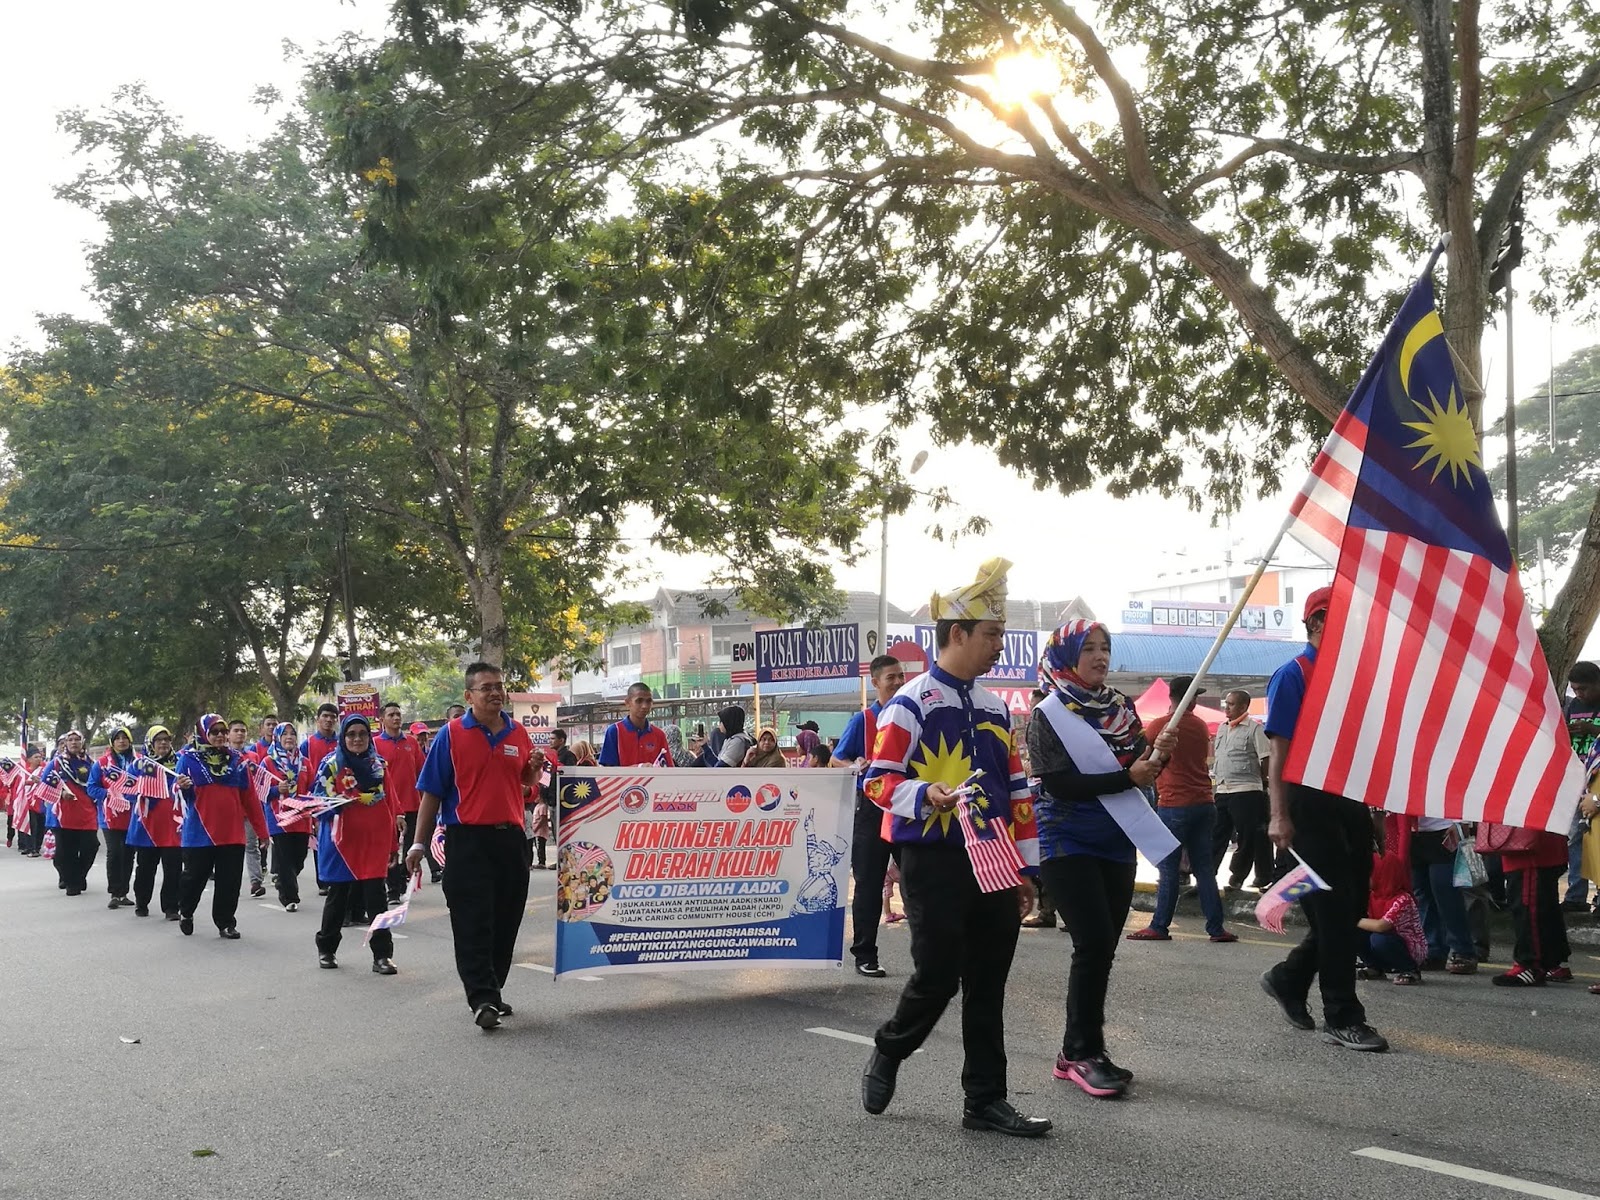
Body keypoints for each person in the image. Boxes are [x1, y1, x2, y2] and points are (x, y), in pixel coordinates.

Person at [860, 558, 1050, 1138]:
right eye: (991, 634)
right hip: (933, 858)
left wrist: (1028, 868)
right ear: (957, 634)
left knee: (989, 981)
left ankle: (985, 1099)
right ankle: (891, 1046)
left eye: (1001, 633)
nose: (999, 645)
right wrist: (924, 793)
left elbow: (1018, 792)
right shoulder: (910, 703)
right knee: (939, 974)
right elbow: (878, 780)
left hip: (994, 858)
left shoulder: (995, 709)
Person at [1029, 621, 1175, 1098]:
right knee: (1091, 943)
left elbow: (1139, 767)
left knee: (1104, 947)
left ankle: (1085, 1046)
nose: (1099, 656)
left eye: (1105, 648)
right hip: (1066, 839)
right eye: (1088, 648)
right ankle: (1079, 1053)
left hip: (1118, 838)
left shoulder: (1119, 706)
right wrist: (1129, 778)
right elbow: (1058, 783)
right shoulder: (1048, 712)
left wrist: (1160, 755)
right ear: (1067, 654)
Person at [1260, 587, 1388, 1051]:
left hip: (1349, 802)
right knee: (1334, 913)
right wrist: (1278, 816)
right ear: (1314, 623)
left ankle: (1288, 978)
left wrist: (1374, 811)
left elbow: (1364, 753)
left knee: (1351, 910)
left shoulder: (1350, 681)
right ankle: (1343, 1014)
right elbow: (1279, 753)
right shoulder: (1293, 675)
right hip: (1306, 805)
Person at [406, 661, 539, 1030]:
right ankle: (481, 997)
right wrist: (418, 844)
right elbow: (431, 792)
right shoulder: (451, 735)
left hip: (512, 839)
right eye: (486, 688)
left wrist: (535, 769)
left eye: (499, 686)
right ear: (469, 696)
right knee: (472, 921)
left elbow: (526, 783)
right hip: (466, 840)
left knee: (506, 919)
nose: (495, 692)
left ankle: (492, 989)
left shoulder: (517, 734)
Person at [1129, 675, 1238, 944]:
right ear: (1189, 698)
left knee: (1168, 869)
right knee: (1203, 868)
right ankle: (1215, 928)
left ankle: (1159, 925)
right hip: (1204, 802)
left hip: (1174, 804)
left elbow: (1145, 758)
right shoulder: (1200, 726)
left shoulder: (1159, 726)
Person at [832, 654, 907, 977]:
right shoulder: (863, 720)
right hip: (872, 812)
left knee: (920, 882)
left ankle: (933, 955)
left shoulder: (912, 715)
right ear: (875, 682)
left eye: (901, 676)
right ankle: (865, 954)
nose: (898, 682)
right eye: (891, 677)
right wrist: (853, 767)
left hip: (907, 809)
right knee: (868, 883)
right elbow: (837, 759)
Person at [313, 715, 399, 974]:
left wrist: (393, 845)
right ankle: (327, 949)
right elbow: (317, 803)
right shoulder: (330, 765)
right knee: (338, 898)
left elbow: (391, 806)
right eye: (351, 734)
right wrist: (339, 801)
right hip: (341, 844)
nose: (357, 739)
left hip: (373, 842)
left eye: (362, 733)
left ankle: (382, 956)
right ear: (343, 737)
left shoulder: (379, 766)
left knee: (377, 900)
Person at [174, 714, 269, 940]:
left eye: (223, 732)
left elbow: (250, 799)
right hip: (199, 833)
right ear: (203, 733)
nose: (220, 736)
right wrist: (183, 787)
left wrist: (262, 831)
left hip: (232, 833)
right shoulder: (187, 759)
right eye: (214, 732)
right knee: (193, 878)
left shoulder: (237, 760)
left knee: (230, 881)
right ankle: (186, 911)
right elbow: (176, 793)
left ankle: (226, 922)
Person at [1210, 689, 1274, 892]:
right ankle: (1207, 874)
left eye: (1231, 704)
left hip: (1247, 790)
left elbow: (1266, 758)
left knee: (1247, 837)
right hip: (1223, 789)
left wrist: (1262, 783)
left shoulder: (1254, 728)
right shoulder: (1222, 729)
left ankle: (1238, 876)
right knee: (1217, 833)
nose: (1227, 708)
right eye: (1226, 704)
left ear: (1244, 707)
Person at [1493, 826, 1571, 987]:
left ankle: (1530, 964)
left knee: (1528, 906)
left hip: (1529, 846)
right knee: (1545, 906)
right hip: (1538, 842)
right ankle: (1550, 962)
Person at [126, 728, 187, 919]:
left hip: (173, 825)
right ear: (150, 743)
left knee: (173, 868)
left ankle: (171, 907)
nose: (163, 743)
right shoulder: (139, 765)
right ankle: (142, 902)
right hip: (147, 826)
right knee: (145, 868)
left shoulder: (180, 763)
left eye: (166, 739)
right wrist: (141, 790)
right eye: (158, 740)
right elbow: (127, 791)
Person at [1358, 826, 1427, 985]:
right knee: (1356, 933)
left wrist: (1352, 919)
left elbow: (1382, 926)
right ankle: (1374, 967)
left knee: (1378, 938)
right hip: (1387, 942)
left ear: (1382, 874)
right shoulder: (1371, 895)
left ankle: (1410, 969)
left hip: (1409, 948)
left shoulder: (1402, 899)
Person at [375, 702, 424, 904]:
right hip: (388, 808)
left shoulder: (411, 743)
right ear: (382, 720)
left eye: (398, 714)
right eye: (391, 715)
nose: (396, 718)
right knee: (390, 848)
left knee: (413, 847)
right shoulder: (375, 744)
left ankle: (403, 877)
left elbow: (422, 771)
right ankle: (393, 890)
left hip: (413, 805)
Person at [1560, 662, 1600, 911]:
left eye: (1583, 689)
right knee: (1575, 837)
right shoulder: (1572, 706)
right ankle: (1576, 896)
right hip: (1576, 779)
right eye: (1574, 689)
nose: (1579, 694)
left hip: (1597, 782)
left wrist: (1592, 729)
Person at [262, 722, 312, 911]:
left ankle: (283, 881)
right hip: (279, 818)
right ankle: (290, 897)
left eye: (292, 734)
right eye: (285, 734)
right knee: (284, 858)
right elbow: (259, 789)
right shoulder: (268, 761)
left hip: (302, 817)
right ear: (278, 737)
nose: (289, 737)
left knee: (299, 858)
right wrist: (276, 790)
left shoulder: (305, 762)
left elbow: (314, 786)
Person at [42, 731, 99, 897]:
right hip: (64, 815)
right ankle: (72, 882)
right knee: (67, 851)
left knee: (91, 846)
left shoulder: (91, 764)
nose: (74, 743)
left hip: (87, 813)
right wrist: (60, 794)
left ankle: (79, 875)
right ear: (65, 743)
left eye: (77, 740)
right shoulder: (56, 764)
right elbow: (44, 787)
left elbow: (97, 784)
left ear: (83, 742)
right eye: (70, 740)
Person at [88, 726, 139, 909]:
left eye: (124, 737)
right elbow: (91, 788)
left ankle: (124, 892)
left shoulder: (139, 762)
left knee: (128, 854)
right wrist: (109, 794)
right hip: (110, 815)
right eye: (117, 738)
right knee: (115, 852)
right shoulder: (101, 764)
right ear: (112, 741)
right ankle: (114, 892)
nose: (121, 741)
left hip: (133, 815)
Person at [230, 719, 269, 898]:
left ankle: (256, 881)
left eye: (243, 730)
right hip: (229, 811)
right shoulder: (224, 757)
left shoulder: (252, 757)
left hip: (249, 809)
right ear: (229, 734)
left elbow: (260, 782)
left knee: (251, 846)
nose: (240, 733)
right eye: (236, 730)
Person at [599, 683, 671, 766]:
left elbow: (668, 769)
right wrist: (638, 769)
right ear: (627, 703)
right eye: (639, 701)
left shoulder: (659, 735)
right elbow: (607, 771)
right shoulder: (615, 731)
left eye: (648, 701)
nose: (644, 706)